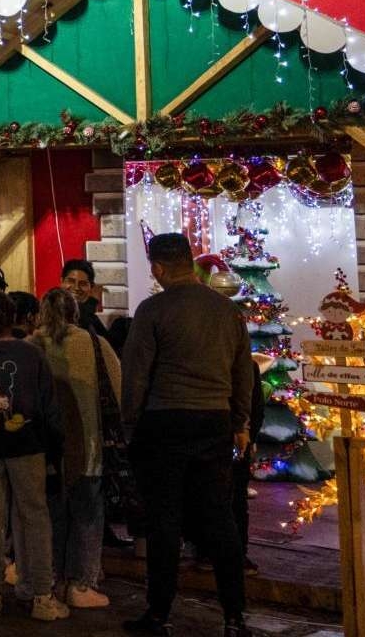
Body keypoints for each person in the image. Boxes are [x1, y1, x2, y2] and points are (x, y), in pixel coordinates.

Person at [120, 233, 255, 637]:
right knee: (219, 519)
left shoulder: (153, 310)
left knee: (164, 521)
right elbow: (242, 371)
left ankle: (159, 615)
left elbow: (136, 375)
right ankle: (234, 617)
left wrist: (131, 425)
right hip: (213, 420)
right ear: (191, 261)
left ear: (157, 268)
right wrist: (240, 422)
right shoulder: (227, 311)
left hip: (165, 421)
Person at [0, 293, 66, 620]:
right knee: (35, 516)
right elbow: (49, 406)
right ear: (15, 317)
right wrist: (56, 447)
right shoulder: (32, 354)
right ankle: (41, 595)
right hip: (28, 444)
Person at [29, 287, 120, 611]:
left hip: (43, 448)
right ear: (75, 313)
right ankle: (81, 583)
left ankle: (49, 578)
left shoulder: (32, 345)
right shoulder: (94, 344)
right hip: (88, 445)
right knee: (87, 514)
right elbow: (118, 392)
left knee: (50, 514)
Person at [59, 260, 113, 346]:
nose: (76, 288)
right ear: (62, 282)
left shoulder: (92, 318)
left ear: (91, 287)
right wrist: (92, 301)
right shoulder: (53, 310)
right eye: (71, 281)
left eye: (83, 284)